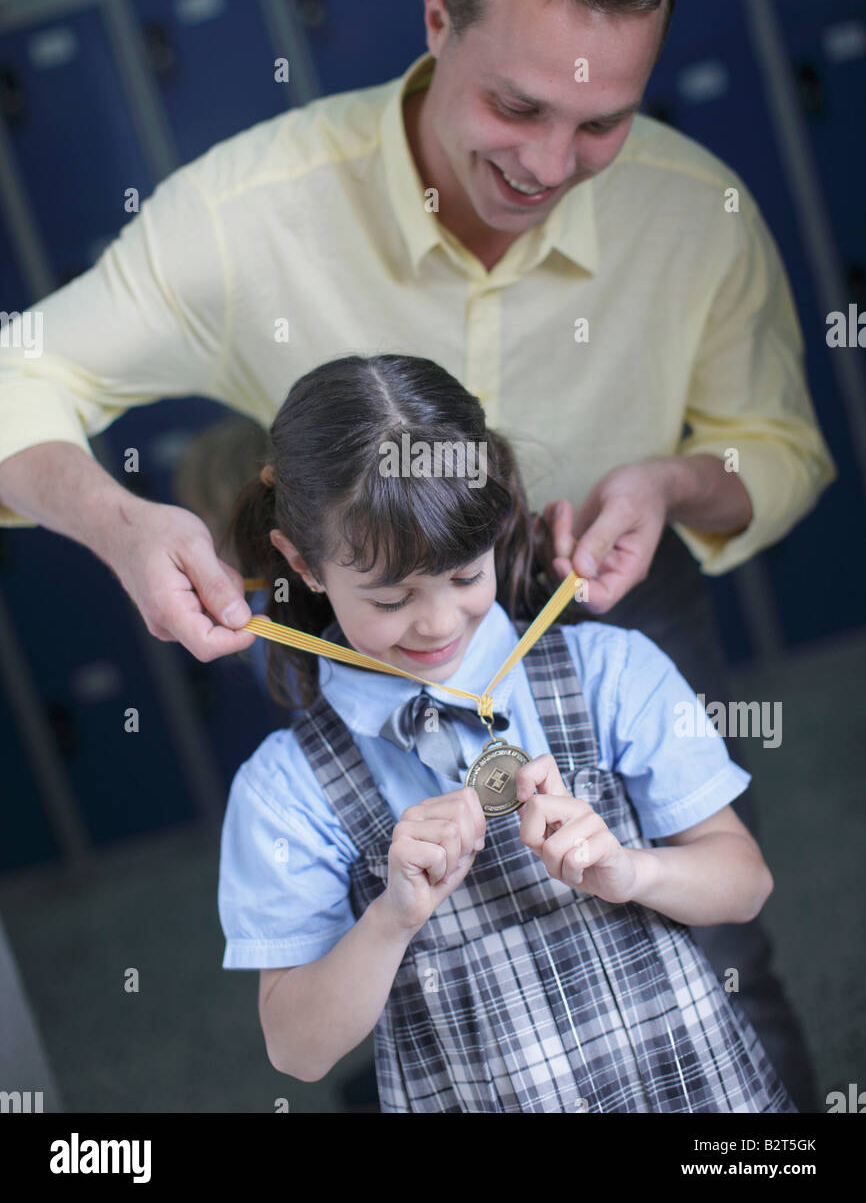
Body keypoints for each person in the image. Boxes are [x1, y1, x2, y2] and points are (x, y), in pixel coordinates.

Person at [0, 0, 830, 1108]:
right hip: (356, 657)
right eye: (516, 108)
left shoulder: (690, 213)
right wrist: (115, 522)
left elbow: (774, 449)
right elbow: (21, 375)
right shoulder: (245, 213)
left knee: (717, 959)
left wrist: (667, 487)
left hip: (608, 602)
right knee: (400, 994)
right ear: (436, 18)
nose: (548, 168)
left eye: (601, 120)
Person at [217, 352, 795, 1113]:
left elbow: (745, 883)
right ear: (304, 563)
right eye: (390, 599)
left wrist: (632, 873)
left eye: (464, 575)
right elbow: (296, 1050)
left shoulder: (610, 671)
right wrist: (391, 919)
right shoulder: (284, 791)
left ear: (498, 519)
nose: (436, 622)